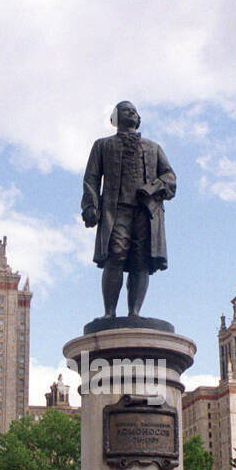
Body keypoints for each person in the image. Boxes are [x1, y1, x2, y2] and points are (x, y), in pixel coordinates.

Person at [81, 101, 176, 318]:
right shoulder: (102, 145)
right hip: (116, 211)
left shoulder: (153, 148)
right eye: (126, 110)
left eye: (134, 110)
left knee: (141, 260)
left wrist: (152, 188)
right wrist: (90, 205)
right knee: (115, 255)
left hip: (146, 212)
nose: (132, 112)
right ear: (115, 118)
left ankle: (134, 313)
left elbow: (170, 179)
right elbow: (91, 178)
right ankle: (109, 313)